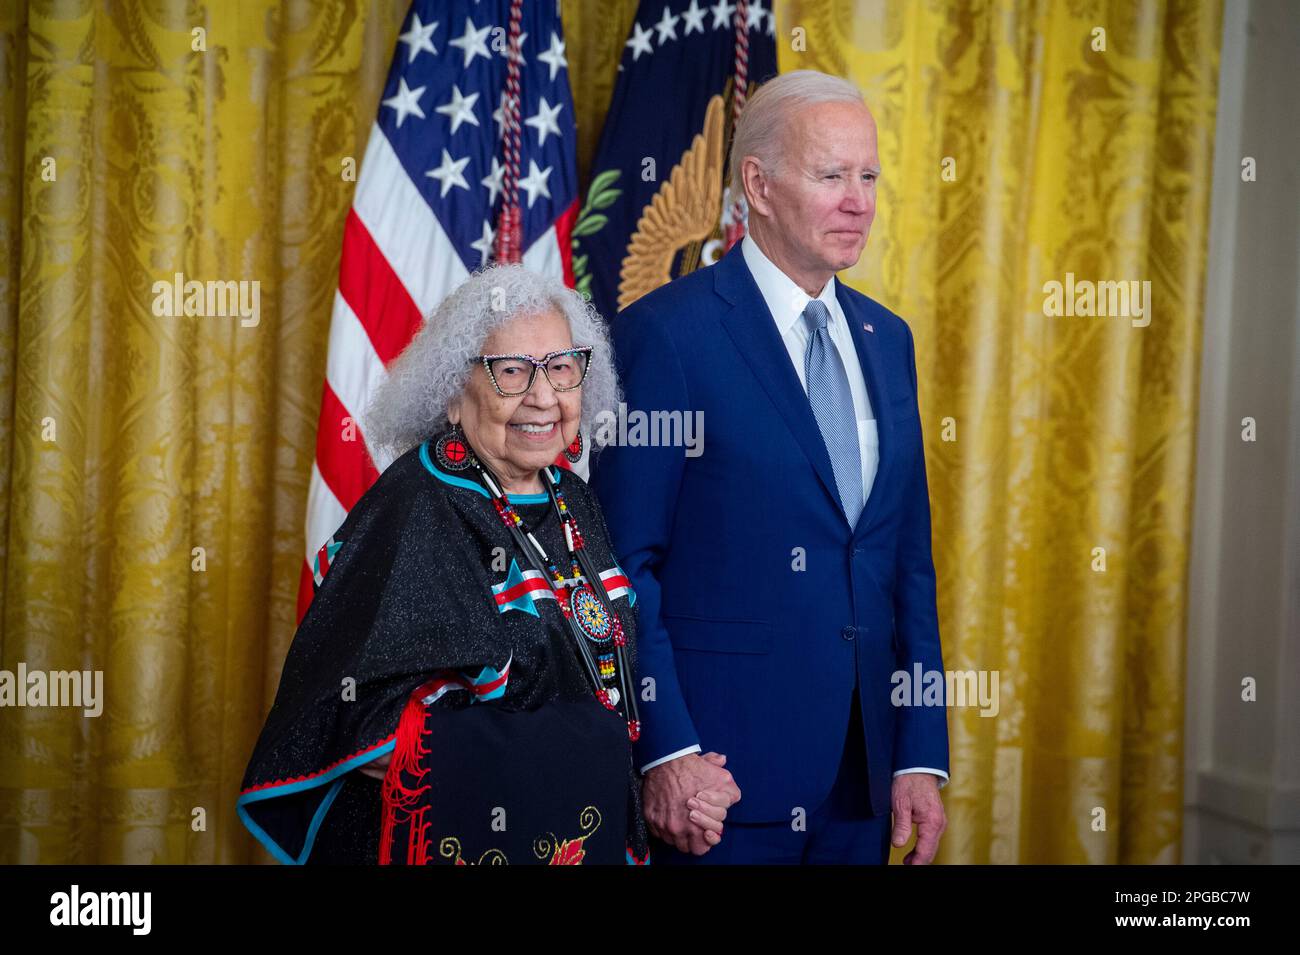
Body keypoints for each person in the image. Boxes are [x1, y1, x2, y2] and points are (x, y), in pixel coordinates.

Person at [591, 69, 950, 864]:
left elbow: (906, 560)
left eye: (869, 177)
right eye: (832, 176)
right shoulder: (668, 336)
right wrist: (665, 750)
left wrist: (920, 749)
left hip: (864, 783)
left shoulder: (887, 341)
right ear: (757, 182)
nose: (860, 200)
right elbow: (622, 566)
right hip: (719, 782)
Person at [237, 265, 662, 865]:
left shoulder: (573, 497)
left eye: (562, 368)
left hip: (577, 830)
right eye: (511, 371)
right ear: (455, 392)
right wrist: (580, 749)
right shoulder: (419, 503)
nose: (543, 397)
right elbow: (368, 725)